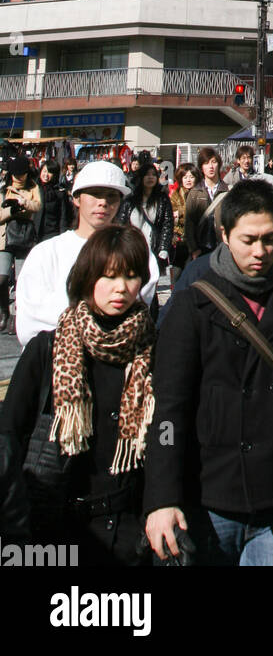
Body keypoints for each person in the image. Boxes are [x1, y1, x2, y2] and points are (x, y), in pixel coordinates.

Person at [143, 179, 273, 567]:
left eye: (270, 239)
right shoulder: (193, 301)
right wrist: (161, 498)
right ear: (224, 234)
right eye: (248, 239)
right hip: (209, 495)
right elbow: (169, 412)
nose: (260, 252)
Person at [0, 226, 155, 564]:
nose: (121, 288)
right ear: (88, 277)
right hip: (52, 528)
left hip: (128, 529)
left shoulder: (151, 349)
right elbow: (9, 434)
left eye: (131, 276)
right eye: (109, 275)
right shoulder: (48, 349)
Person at [15, 161, 160, 347]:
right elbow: (30, 325)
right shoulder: (45, 253)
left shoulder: (139, 253)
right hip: (56, 362)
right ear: (76, 199)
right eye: (95, 194)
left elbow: (133, 311)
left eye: (111, 196)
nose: (103, 202)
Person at [0, 154, 41, 333]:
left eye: (22, 174)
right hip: (5, 237)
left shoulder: (33, 187)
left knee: (21, 279)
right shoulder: (3, 188)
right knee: (1, 279)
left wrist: (25, 203)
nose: (19, 177)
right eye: (16, 174)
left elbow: (38, 206)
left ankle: (16, 316)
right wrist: (12, 209)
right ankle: (3, 310)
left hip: (24, 236)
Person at [116, 162, 174, 280]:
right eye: (147, 175)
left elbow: (167, 224)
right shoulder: (130, 201)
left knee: (151, 285)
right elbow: (121, 224)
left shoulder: (162, 199)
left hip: (154, 249)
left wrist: (163, 248)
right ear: (141, 177)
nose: (150, 177)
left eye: (153, 174)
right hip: (133, 249)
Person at [183, 146, 226, 259]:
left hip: (223, 248)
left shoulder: (228, 191)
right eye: (206, 163)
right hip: (201, 249)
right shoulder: (195, 193)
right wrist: (193, 249)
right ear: (201, 167)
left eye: (214, 162)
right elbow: (189, 224)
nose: (211, 166)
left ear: (219, 165)